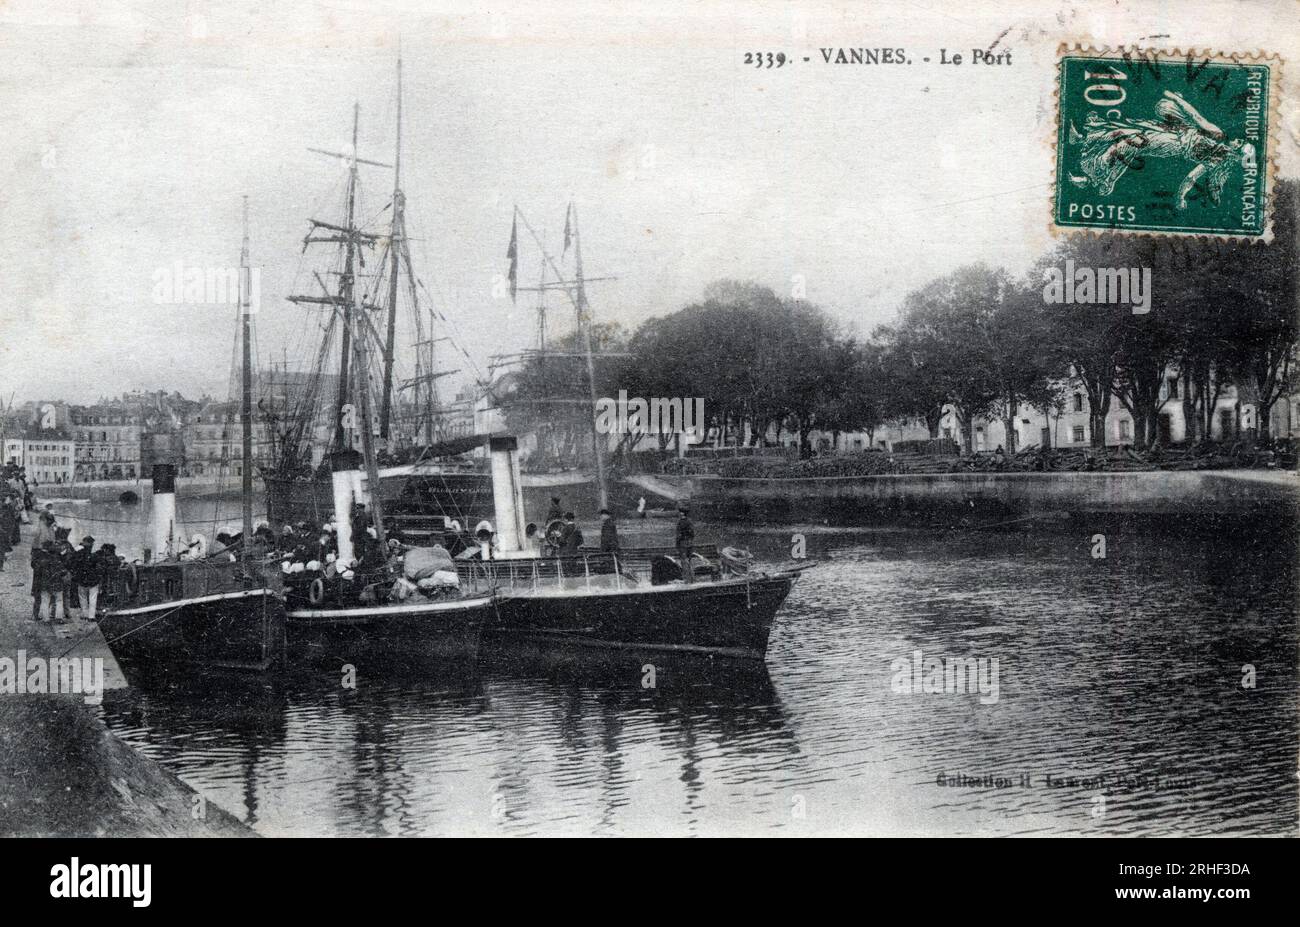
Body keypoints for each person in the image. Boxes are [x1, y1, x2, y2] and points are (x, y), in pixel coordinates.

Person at [70, 536, 102, 622]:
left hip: (82, 579)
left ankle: (85, 614)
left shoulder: (78, 553)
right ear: (91, 544)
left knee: (82, 597)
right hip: (93, 580)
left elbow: (73, 562)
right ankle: (91, 616)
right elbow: (99, 568)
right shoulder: (95, 556)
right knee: (93, 598)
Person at [675, 505, 695, 584]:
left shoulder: (680, 522)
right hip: (690, 543)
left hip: (683, 544)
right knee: (689, 561)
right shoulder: (689, 522)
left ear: (682, 513)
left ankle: (686, 580)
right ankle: (692, 579)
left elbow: (678, 535)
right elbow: (693, 534)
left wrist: (677, 544)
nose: (679, 514)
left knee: (684, 561)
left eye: (680, 512)